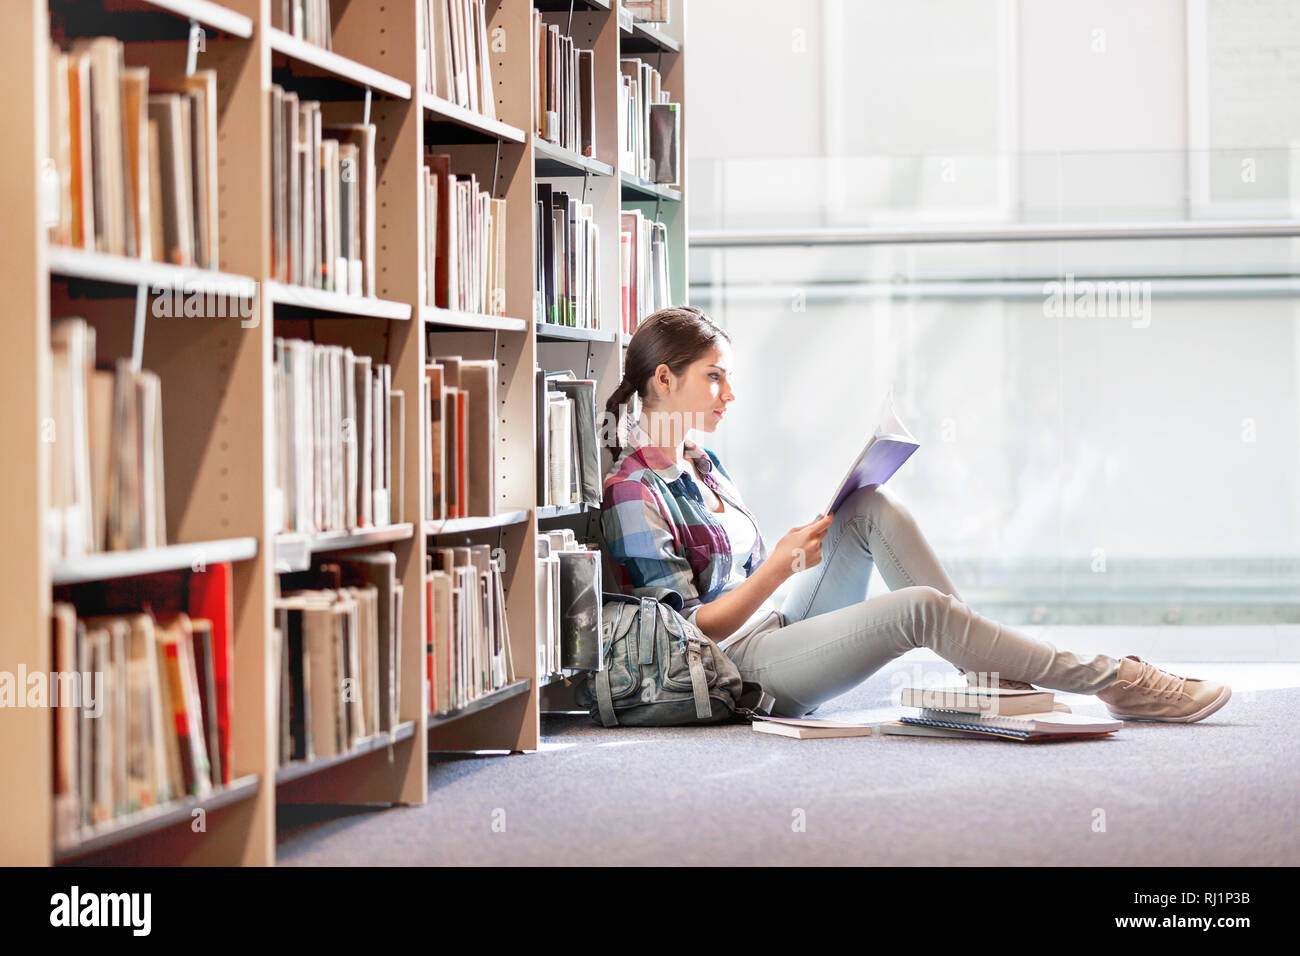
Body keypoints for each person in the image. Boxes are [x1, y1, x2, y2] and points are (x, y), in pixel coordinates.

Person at [598, 306, 1232, 723]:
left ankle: (990, 676)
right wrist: (779, 567)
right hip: (736, 671)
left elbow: (747, 580)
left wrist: (797, 553)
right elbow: (691, 633)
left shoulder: (703, 463)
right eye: (716, 378)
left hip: (773, 626)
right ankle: (1115, 678)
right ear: (663, 379)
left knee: (870, 507)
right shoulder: (632, 491)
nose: (730, 394)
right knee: (919, 611)